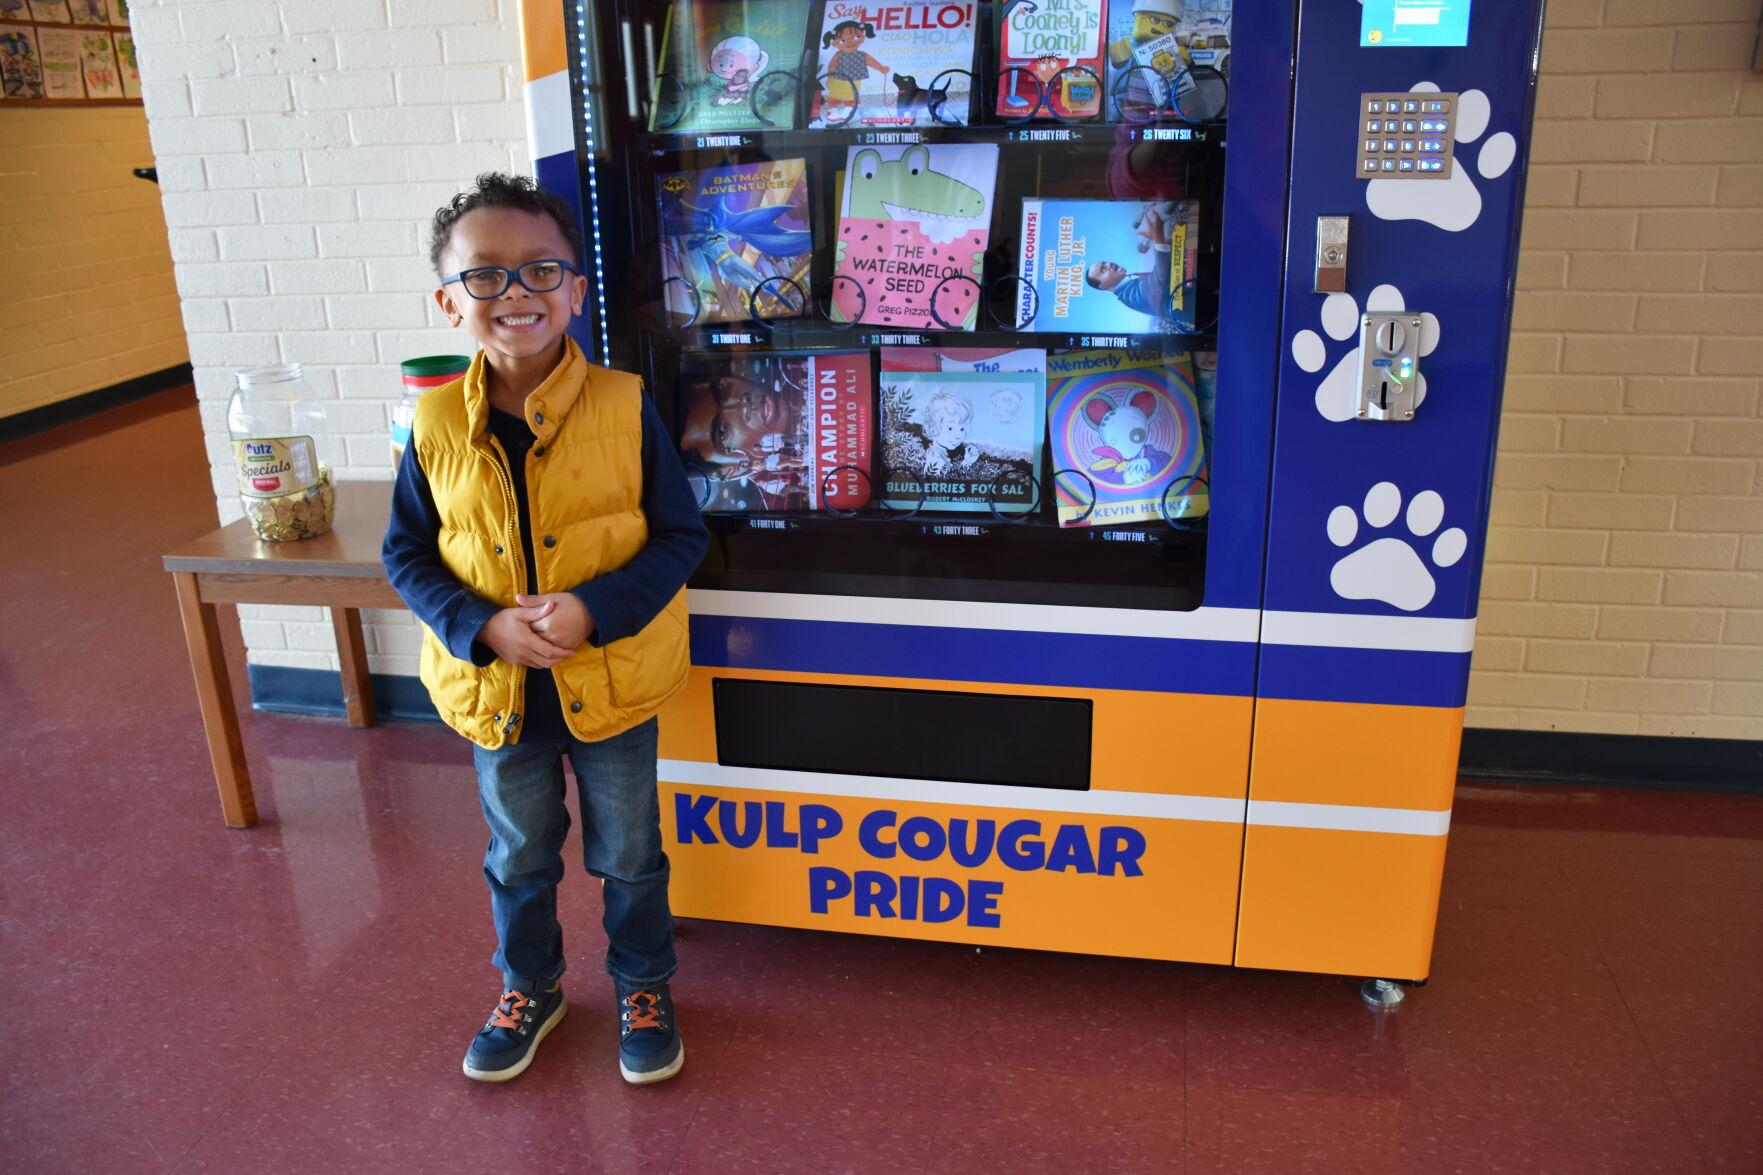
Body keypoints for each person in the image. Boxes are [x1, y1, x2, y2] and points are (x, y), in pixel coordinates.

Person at [383, 172, 708, 1086]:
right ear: (450, 303)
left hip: (611, 681)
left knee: (629, 853)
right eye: (484, 274)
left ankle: (643, 982)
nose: (515, 291)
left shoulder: (623, 403)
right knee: (518, 854)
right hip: (498, 691)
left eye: (539, 270)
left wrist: (594, 607)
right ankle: (530, 985)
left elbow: (680, 536)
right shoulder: (433, 420)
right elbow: (406, 552)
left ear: (576, 290)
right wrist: (479, 623)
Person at [1084, 204, 1175, 327]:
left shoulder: (1130, 279)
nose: (1108, 264)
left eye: (1105, 262)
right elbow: (1159, 279)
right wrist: (1157, 235)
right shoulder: (1130, 296)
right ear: (1103, 286)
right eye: (1103, 269)